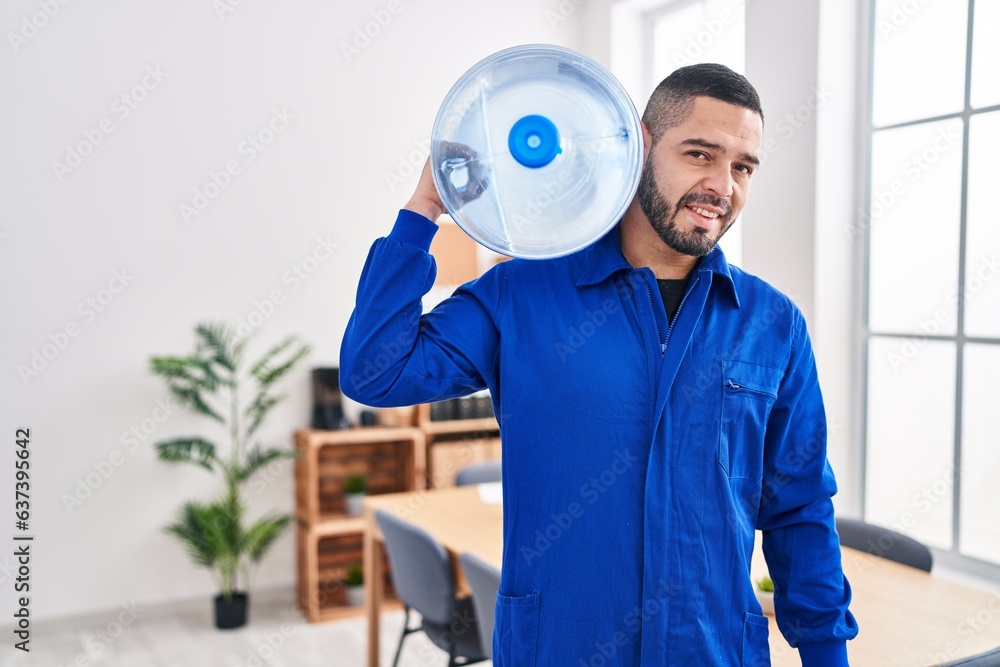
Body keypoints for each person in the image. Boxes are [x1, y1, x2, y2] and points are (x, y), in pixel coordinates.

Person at [340, 63, 858, 666]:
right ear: (636, 145)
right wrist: (426, 206)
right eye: (699, 154)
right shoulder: (523, 295)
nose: (723, 185)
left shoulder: (773, 324)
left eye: (743, 167)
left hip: (714, 652)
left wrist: (827, 657)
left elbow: (800, 509)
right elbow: (375, 371)